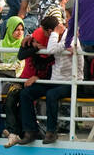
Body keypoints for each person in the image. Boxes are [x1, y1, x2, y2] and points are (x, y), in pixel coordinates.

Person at [16, 10, 78, 144]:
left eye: (45, 33)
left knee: (51, 94)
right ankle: (31, 131)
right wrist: (31, 41)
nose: (44, 36)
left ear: (50, 31)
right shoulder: (54, 40)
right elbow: (24, 54)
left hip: (70, 81)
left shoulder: (70, 38)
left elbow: (51, 49)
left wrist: (55, 34)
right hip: (55, 80)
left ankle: (51, 132)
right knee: (26, 93)